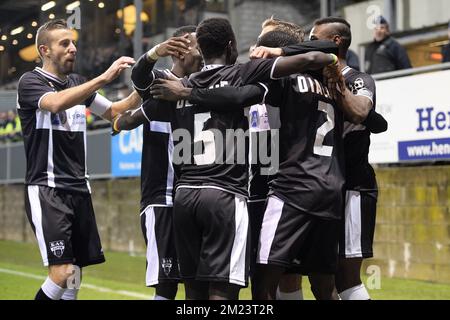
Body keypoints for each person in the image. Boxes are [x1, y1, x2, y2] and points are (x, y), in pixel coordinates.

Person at [16, 19, 141, 300]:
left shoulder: (77, 83)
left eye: (73, 42)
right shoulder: (31, 82)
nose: (73, 48)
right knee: (60, 273)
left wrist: (142, 87)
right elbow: (55, 103)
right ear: (44, 50)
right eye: (64, 43)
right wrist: (104, 78)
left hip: (79, 190)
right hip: (48, 189)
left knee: (73, 276)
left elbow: (114, 111)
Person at [271, 16, 387, 299]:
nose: (309, 43)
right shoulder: (309, 79)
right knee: (298, 275)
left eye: (315, 37)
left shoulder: (357, 79)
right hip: (317, 189)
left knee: (345, 277)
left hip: (352, 187)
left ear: (335, 42)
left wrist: (336, 81)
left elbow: (361, 113)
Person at [112, 26, 201, 300]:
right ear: (181, 49)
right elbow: (139, 75)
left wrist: (131, 119)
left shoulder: (205, 85)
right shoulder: (160, 80)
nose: (202, 52)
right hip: (162, 196)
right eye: (198, 46)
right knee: (166, 283)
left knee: (196, 282)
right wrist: (154, 52)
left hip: (194, 195)